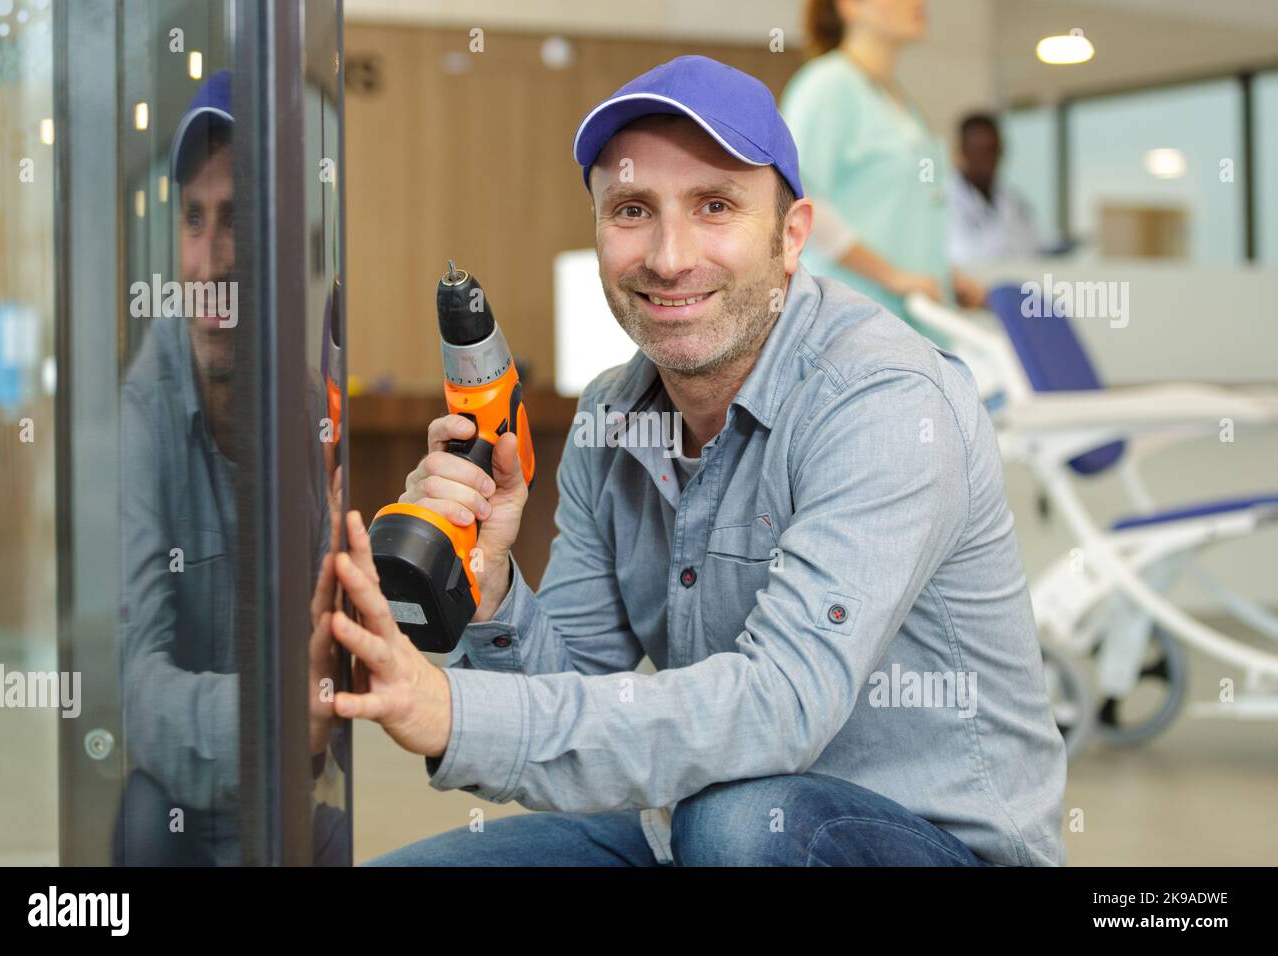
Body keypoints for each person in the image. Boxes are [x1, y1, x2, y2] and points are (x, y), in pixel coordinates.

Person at [331, 55, 1066, 867]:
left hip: (925, 843)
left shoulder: (884, 400)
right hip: (695, 829)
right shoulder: (611, 417)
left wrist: (451, 713)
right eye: (633, 209)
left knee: (742, 828)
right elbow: (565, 697)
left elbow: (780, 705)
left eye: (715, 206)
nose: (669, 256)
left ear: (791, 238)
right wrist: (493, 579)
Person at [114, 71, 345, 865]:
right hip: (183, 799)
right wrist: (278, 716)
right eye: (193, 220)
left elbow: (336, 678)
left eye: (237, 219)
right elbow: (139, 696)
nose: (209, 262)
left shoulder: (309, 404)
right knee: (145, 819)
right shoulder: (143, 412)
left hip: (286, 801)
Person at [780, 0, 985, 342]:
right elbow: (796, 195)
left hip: (913, 323)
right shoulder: (826, 86)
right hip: (851, 324)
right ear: (851, 6)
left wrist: (946, 276)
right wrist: (892, 277)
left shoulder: (895, 96)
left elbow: (894, 216)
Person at [947, 112, 1045, 266]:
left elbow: (1034, 246)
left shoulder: (1014, 201)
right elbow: (959, 256)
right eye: (981, 151)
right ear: (964, 151)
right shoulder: (944, 200)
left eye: (994, 151)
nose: (990, 160)